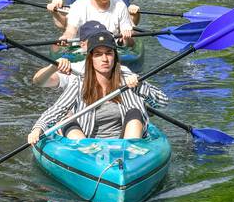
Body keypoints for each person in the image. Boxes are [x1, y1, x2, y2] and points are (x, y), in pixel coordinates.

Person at [26, 31, 165, 144]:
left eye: (108, 53)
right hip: (89, 146)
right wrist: (38, 129)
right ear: (90, 59)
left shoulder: (126, 77)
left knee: (135, 113)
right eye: (98, 54)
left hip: (124, 144)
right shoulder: (80, 83)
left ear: (115, 57)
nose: (104, 59)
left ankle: (130, 151)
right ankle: (88, 152)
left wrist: (140, 86)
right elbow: (58, 109)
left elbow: (162, 102)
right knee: (66, 120)